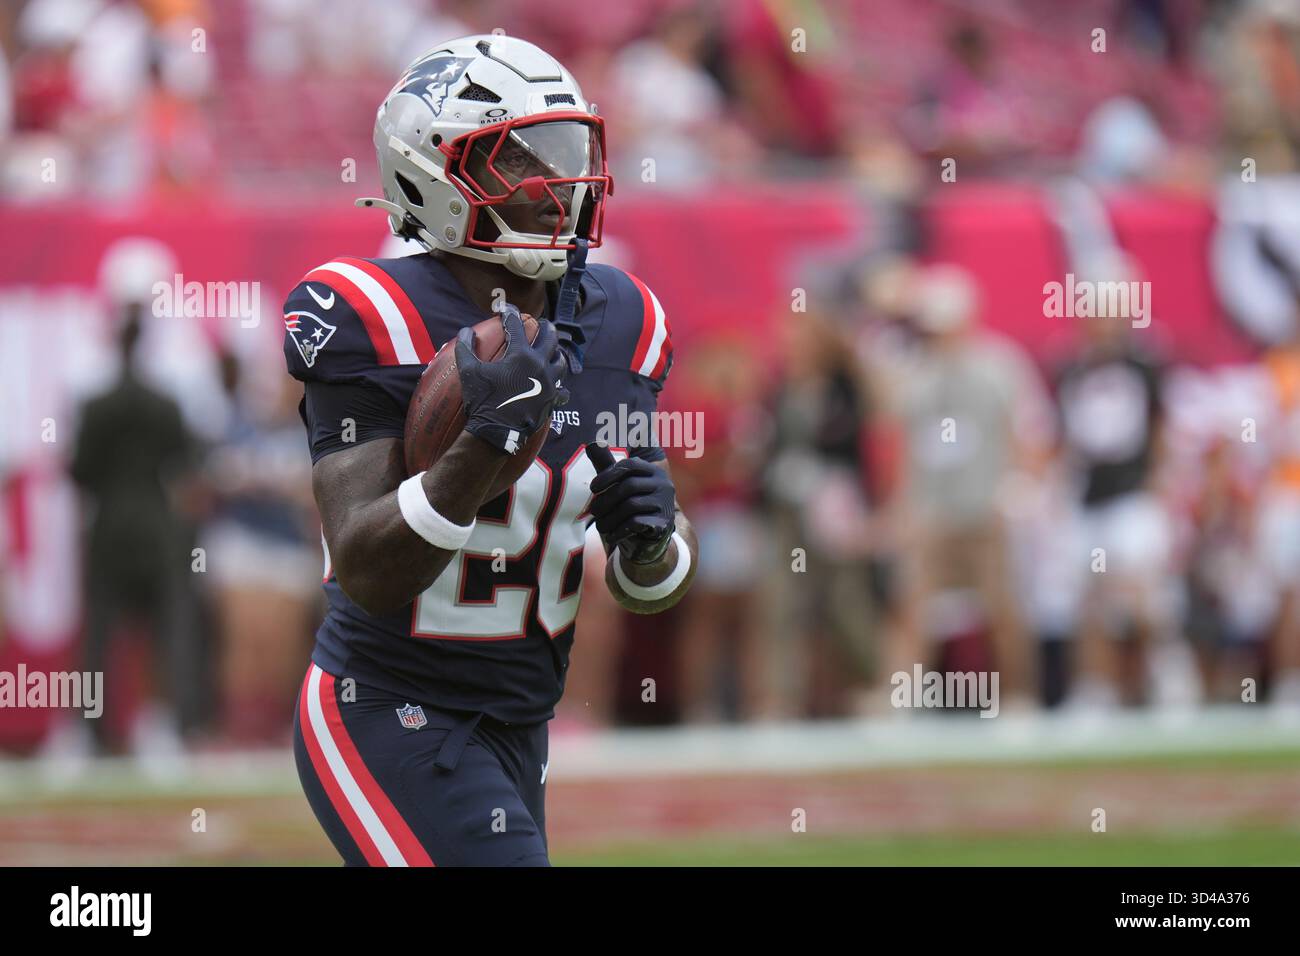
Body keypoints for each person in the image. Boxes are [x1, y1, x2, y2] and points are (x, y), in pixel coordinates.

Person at [286, 35, 698, 866]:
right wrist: (483, 446)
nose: (555, 188)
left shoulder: (623, 319)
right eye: (516, 161)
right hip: (387, 708)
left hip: (521, 723)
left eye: (564, 153)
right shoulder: (372, 314)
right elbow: (366, 568)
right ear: (431, 174)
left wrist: (657, 547)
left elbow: (642, 579)